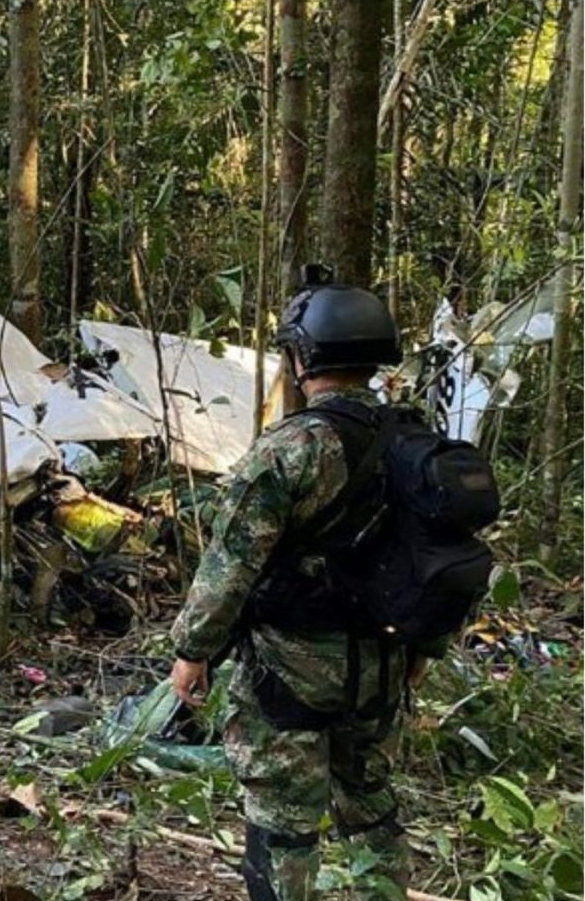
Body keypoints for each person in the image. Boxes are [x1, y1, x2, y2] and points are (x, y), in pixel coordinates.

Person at [169, 281, 439, 901]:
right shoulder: (414, 443)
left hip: (288, 672)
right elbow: (440, 555)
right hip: (383, 664)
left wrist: (193, 649)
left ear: (302, 358)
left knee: (282, 820)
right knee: (370, 801)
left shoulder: (291, 449)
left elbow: (230, 564)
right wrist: (426, 649)